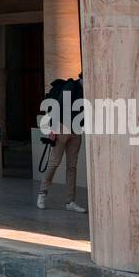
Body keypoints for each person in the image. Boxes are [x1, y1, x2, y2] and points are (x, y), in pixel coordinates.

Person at [36, 76, 86, 213]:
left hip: (76, 130)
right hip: (62, 128)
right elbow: (58, 106)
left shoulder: (86, 91)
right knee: (54, 162)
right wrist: (52, 128)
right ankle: (42, 193)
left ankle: (70, 201)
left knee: (72, 166)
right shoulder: (71, 86)